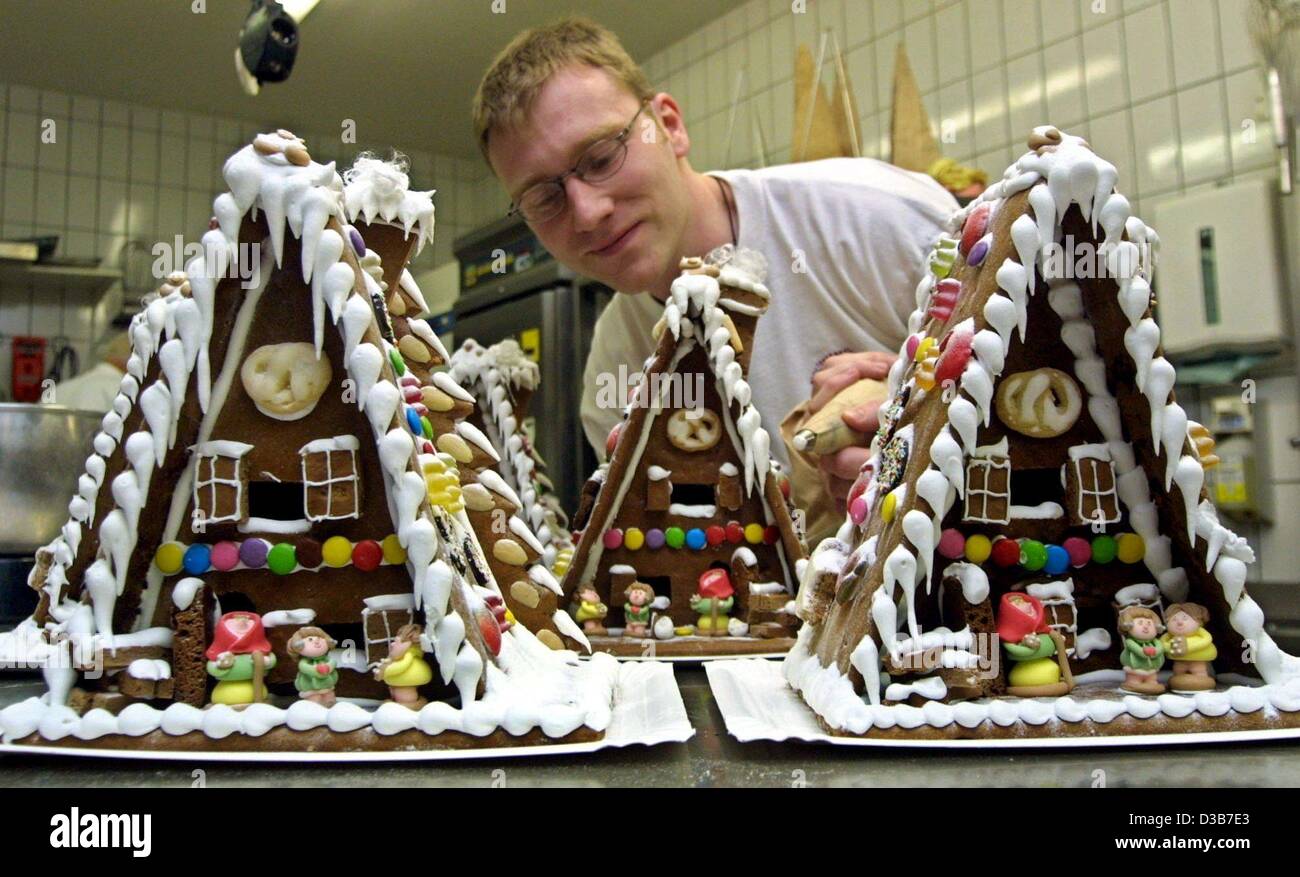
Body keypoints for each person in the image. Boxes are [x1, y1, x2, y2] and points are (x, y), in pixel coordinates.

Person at [472, 17, 955, 518]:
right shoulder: (616, 370)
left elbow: (1030, 393)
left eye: (600, 157)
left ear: (670, 127)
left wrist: (929, 421)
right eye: (544, 197)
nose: (588, 213)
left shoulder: (878, 219)